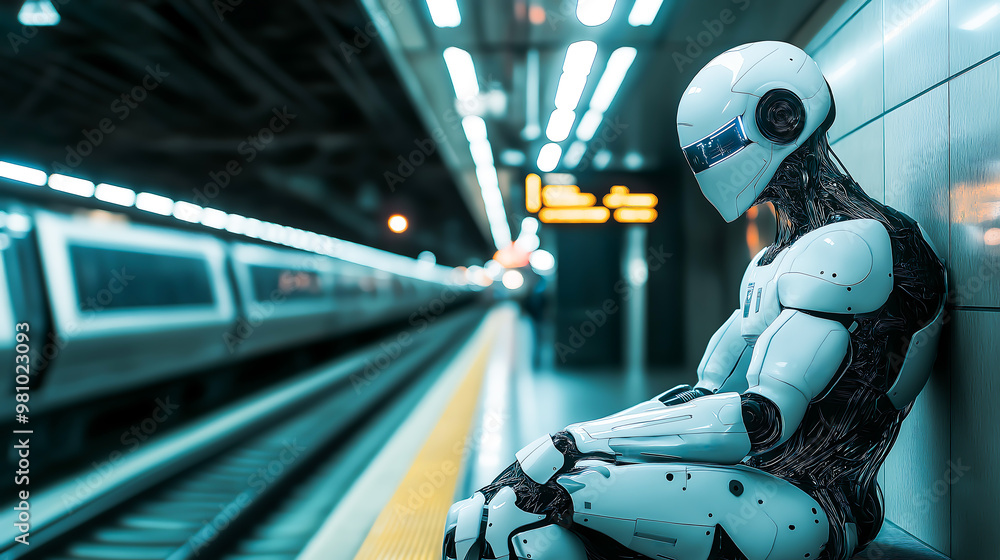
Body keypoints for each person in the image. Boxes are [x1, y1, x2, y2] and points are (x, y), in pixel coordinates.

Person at [442, 41, 947, 560]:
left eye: (719, 144)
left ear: (781, 115)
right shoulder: (780, 259)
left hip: (813, 508)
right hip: (772, 490)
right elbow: (700, 395)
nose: (710, 163)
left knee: (522, 512)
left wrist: (579, 441)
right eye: (701, 153)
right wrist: (575, 442)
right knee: (500, 512)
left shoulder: (854, 245)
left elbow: (763, 420)